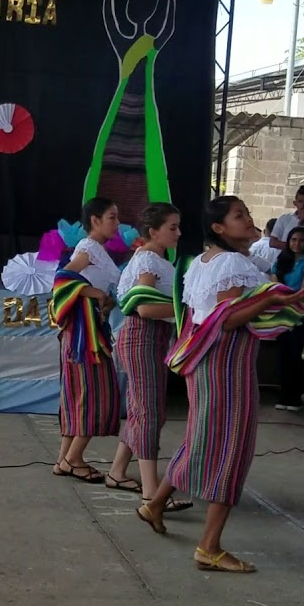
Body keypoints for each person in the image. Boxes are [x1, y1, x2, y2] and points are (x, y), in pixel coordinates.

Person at [137, 196, 304, 573]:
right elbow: (229, 319)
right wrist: (272, 301)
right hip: (227, 361)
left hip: (206, 360)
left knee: (201, 439)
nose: (248, 220)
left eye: (246, 213)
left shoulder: (202, 261)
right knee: (232, 447)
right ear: (219, 228)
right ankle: (209, 546)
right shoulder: (232, 263)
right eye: (239, 216)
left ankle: (155, 503)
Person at [108, 203, 191, 511]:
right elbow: (143, 306)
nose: (178, 233)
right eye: (172, 227)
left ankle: (117, 471)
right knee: (149, 413)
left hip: (152, 338)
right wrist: (189, 311)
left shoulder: (155, 259)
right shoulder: (148, 261)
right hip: (143, 336)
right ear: (153, 231)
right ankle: (150, 492)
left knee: (143, 409)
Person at [50, 197, 122, 483]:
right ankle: (74, 458)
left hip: (93, 327)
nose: (117, 223)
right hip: (84, 333)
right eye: (112, 217)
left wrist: (106, 300)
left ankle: (64, 459)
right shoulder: (89, 247)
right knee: (93, 392)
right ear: (95, 220)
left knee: (81, 392)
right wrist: (94, 294)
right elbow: (63, 278)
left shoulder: (99, 251)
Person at [270, 226, 304, 411]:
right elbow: (274, 284)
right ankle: (284, 396)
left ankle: (294, 398)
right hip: (281, 312)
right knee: (283, 354)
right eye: (293, 240)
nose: (297, 244)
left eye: (301, 240)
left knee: (295, 354)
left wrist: (287, 300)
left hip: (300, 312)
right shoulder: (281, 260)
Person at [268, 184, 304, 250]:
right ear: (295, 203)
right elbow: (272, 242)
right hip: (282, 258)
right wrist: (293, 247)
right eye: (300, 201)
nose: (303, 205)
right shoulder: (284, 219)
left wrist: (301, 223)